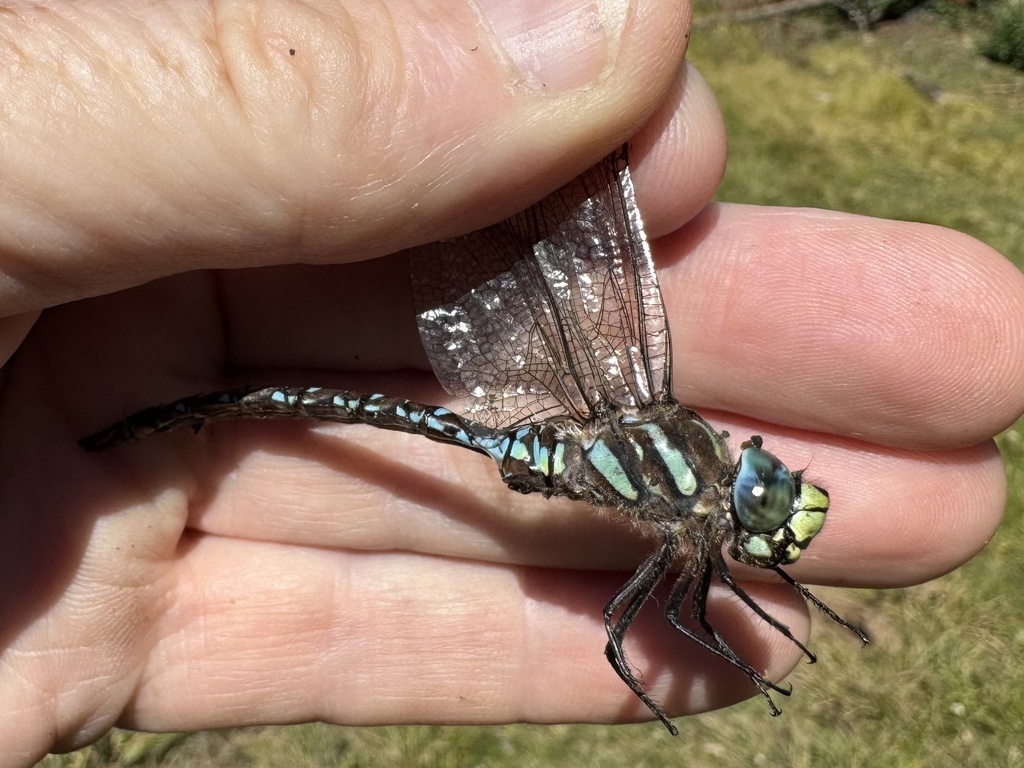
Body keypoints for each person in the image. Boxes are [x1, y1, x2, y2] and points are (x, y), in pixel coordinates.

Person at [2, 1, 1021, 764]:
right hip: (539, 420)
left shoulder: (692, 509)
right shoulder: (692, 516)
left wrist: (795, 611)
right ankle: (190, 415)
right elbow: (661, 623)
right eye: (769, 492)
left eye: (769, 497)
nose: (770, 495)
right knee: (656, 620)